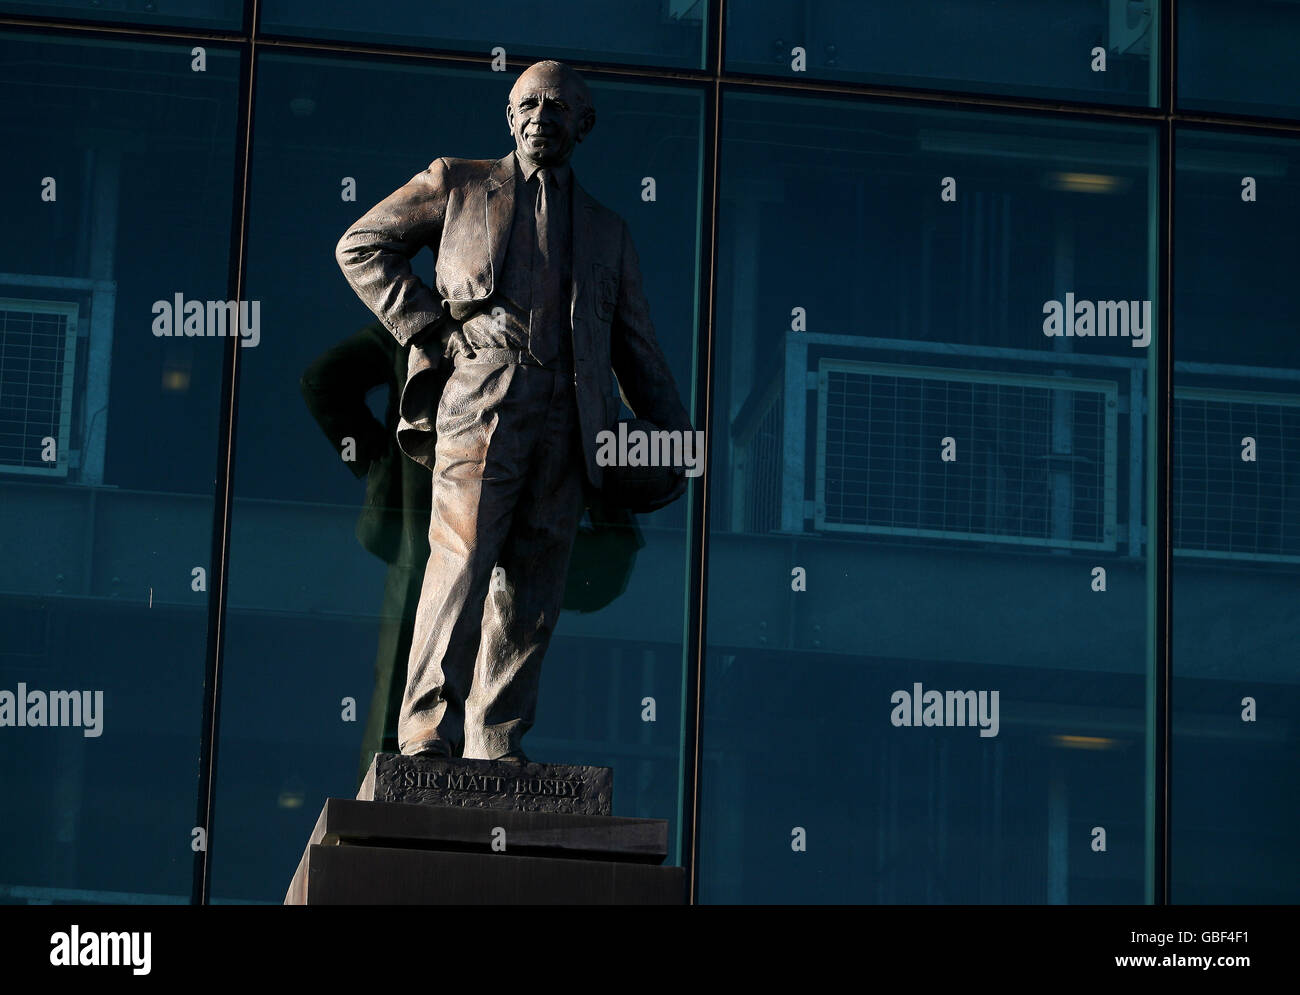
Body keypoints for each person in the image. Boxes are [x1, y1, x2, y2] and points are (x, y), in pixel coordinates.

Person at [335, 60, 692, 763]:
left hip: (571, 416)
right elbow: (361, 245)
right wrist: (435, 329)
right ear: (508, 116)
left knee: (534, 584)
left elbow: (638, 348)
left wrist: (678, 440)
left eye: (558, 106)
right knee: (463, 558)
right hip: (483, 396)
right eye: (527, 102)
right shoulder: (458, 182)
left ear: (583, 125)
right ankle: (426, 732)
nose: (540, 115)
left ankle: (496, 740)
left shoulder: (607, 231)